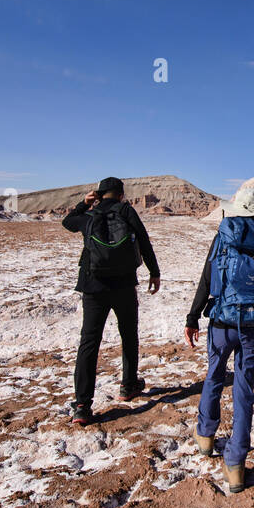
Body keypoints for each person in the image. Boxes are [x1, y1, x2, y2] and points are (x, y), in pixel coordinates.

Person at [185, 188, 254, 493]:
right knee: (244, 391)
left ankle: (205, 435)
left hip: (223, 321)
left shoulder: (225, 234)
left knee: (215, 376)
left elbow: (207, 276)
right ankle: (236, 465)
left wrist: (194, 316)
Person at [62, 177, 161, 425]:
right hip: (125, 284)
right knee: (128, 334)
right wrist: (154, 272)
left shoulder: (90, 215)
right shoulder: (126, 212)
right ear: (121, 194)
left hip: (94, 285)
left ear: (99, 195)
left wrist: (83, 205)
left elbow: (67, 222)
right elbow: (143, 239)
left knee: (90, 342)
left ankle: (82, 405)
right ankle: (128, 385)